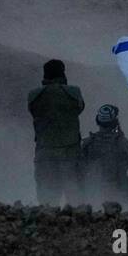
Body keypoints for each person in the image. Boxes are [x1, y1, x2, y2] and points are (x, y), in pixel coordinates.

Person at [28, 59, 84, 206]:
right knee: (74, 198)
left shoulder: (34, 95)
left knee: (47, 199)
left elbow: (33, 111)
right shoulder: (73, 92)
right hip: (70, 152)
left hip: (45, 152)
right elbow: (80, 108)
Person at [81, 104, 128, 208]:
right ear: (114, 122)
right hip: (119, 193)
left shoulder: (88, 143)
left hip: (94, 193)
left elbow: (80, 167)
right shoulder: (121, 142)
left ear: (98, 122)